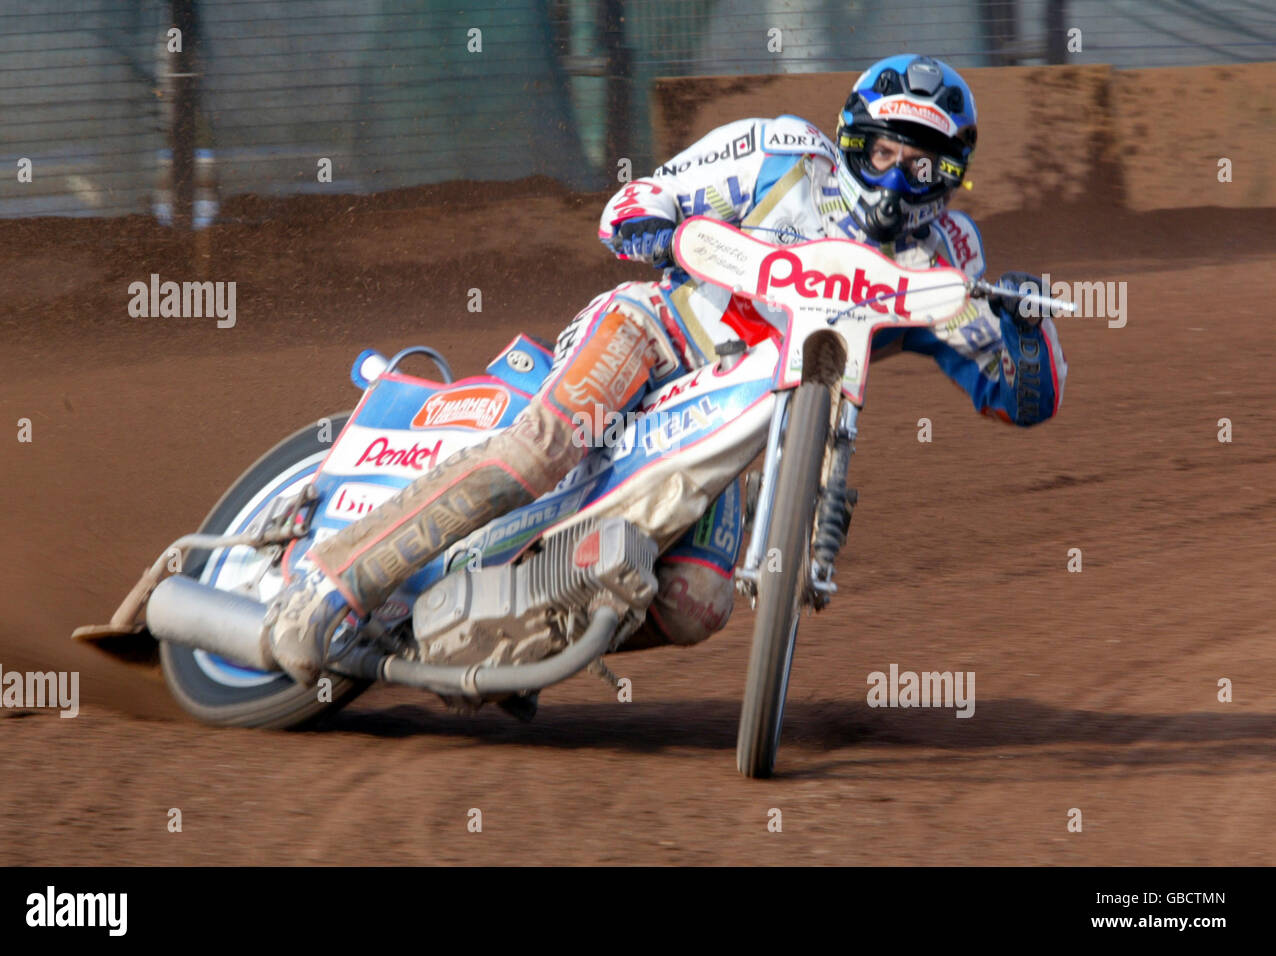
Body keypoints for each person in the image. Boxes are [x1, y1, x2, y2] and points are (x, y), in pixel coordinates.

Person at [262, 53, 1068, 686]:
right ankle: (331, 587)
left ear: (952, 177)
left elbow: (1018, 398)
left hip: (753, 414)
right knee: (544, 451)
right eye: (886, 150)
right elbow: (630, 206)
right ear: (854, 139)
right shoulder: (780, 154)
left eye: (922, 165)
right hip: (658, 333)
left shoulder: (949, 257)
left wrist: (1027, 327)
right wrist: (659, 230)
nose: (897, 178)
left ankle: (523, 632)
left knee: (696, 604)